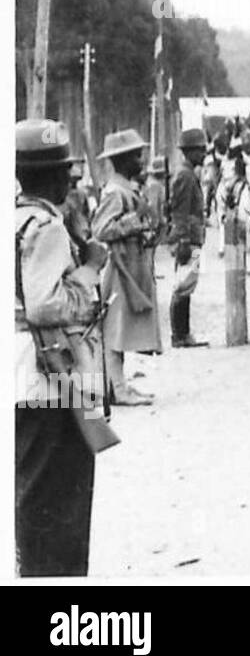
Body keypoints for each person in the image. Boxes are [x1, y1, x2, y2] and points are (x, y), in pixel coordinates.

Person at [14, 119, 113, 576]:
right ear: (55, 177)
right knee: (61, 495)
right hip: (52, 376)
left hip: (20, 373)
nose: (70, 182)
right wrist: (90, 271)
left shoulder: (15, 219)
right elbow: (45, 304)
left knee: (31, 486)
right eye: (66, 174)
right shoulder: (48, 226)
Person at [91, 129, 161, 406]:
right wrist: (135, 220)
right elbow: (101, 229)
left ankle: (118, 385)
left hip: (132, 263)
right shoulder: (115, 192)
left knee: (121, 327)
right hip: (119, 267)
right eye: (136, 156)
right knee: (114, 329)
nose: (141, 160)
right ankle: (116, 389)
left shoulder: (128, 189)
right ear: (122, 160)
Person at [168, 128, 209, 348]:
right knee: (183, 285)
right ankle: (180, 335)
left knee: (188, 284)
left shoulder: (188, 173)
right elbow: (179, 212)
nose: (204, 154)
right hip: (188, 239)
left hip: (192, 237)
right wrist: (182, 240)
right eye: (200, 150)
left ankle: (183, 333)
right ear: (190, 151)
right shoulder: (185, 175)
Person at [141, 155, 168, 230]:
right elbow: (153, 205)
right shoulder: (154, 185)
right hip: (157, 225)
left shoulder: (155, 184)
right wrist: (156, 224)